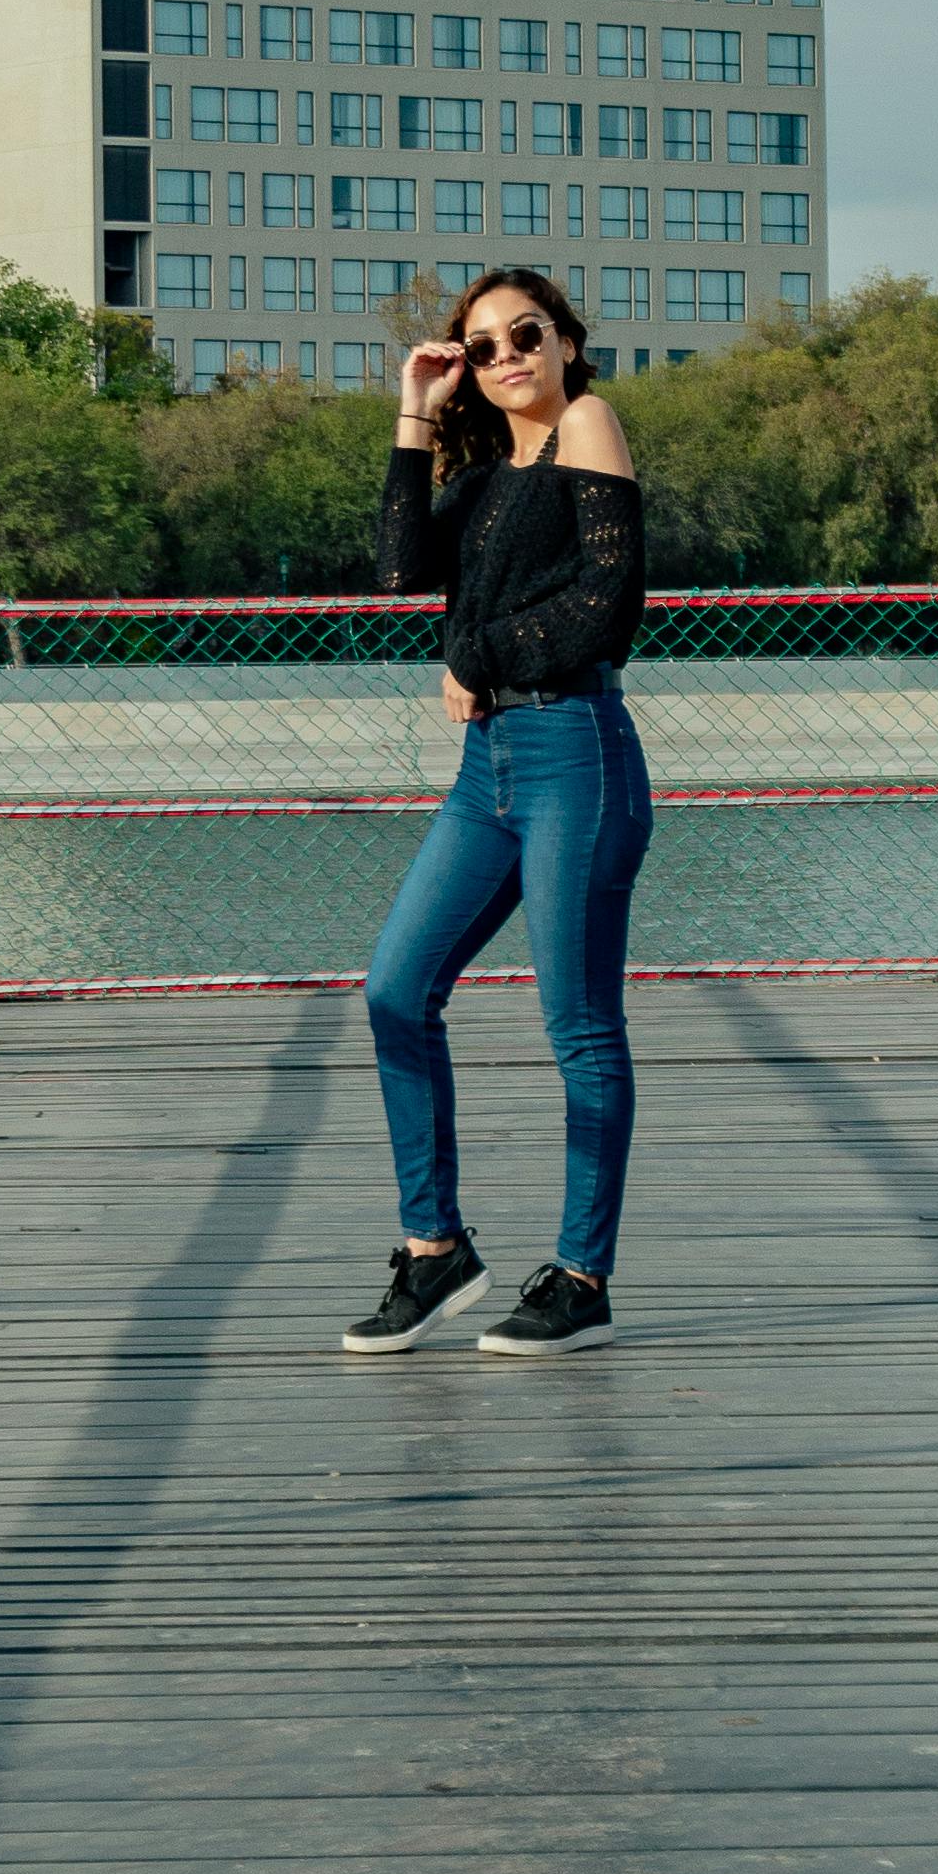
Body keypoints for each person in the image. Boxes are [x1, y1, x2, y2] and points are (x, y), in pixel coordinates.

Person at [346, 266, 652, 1357]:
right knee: (394, 988)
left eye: (525, 333)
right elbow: (394, 570)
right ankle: (435, 1252)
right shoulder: (479, 481)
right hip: (489, 770)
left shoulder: (587, 423)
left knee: (577, 1026)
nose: (507, 354)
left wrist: (475, 651)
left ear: (566, 340)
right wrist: (413, 414)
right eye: (480, 346)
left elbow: (606, 607)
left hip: (578, 755)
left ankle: (582, 1275)